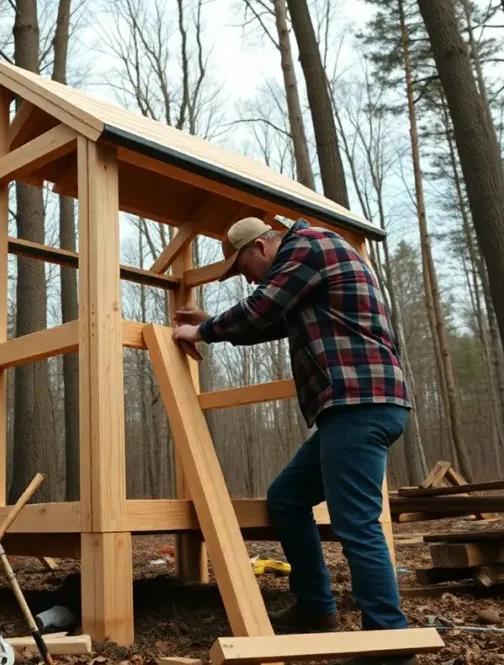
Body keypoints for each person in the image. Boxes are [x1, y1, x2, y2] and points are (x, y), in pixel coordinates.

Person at [172, 216, 412, 653]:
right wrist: (213, 323)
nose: (248, 280)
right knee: (286, 497)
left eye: (245, 269)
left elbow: (262, 307)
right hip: (353, 406)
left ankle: (390, 644)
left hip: (360, 401)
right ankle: (316, 608)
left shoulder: (308, 245)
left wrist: (201, 331)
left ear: (262, 248)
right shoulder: (306, 270)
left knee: (356, 523)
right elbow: (268, 323)